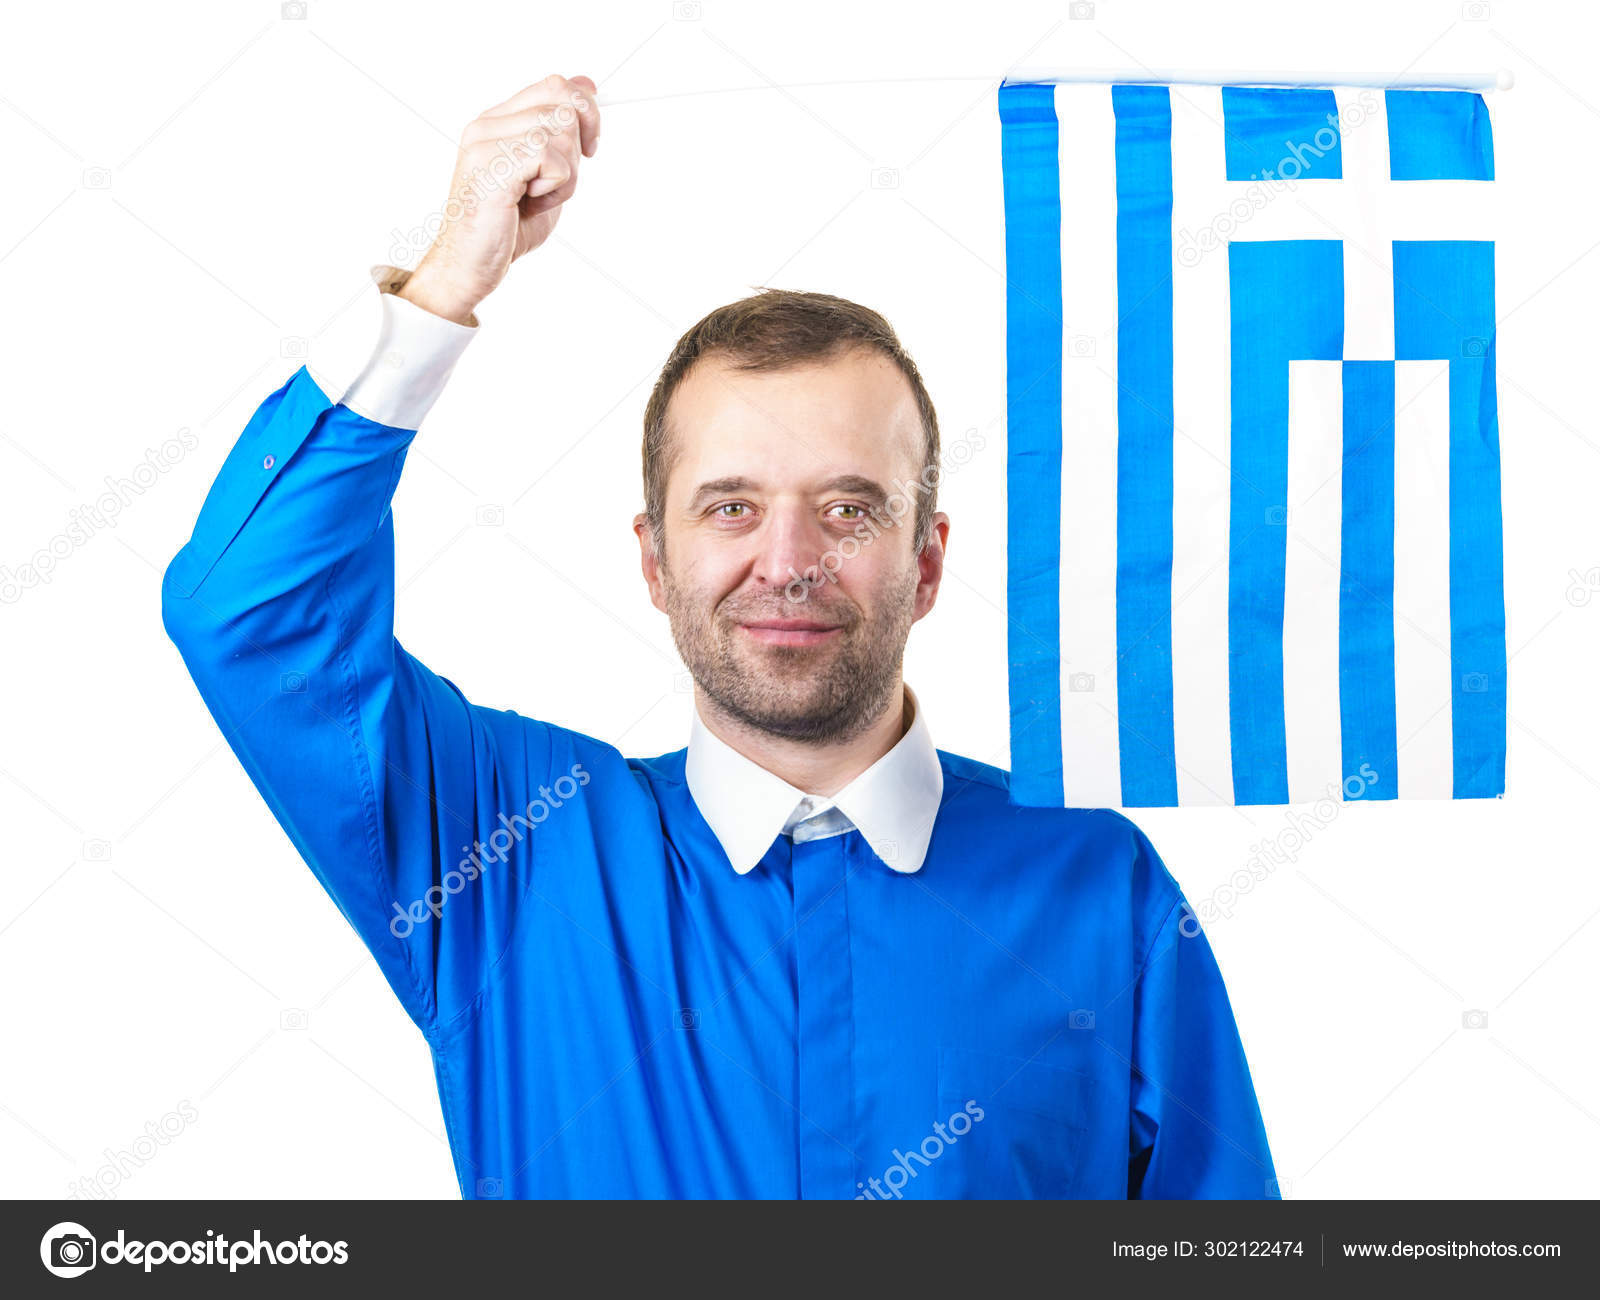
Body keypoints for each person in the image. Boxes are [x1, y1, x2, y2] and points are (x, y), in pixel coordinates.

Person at [161, 73, 1277, 1199]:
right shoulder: (505, 854)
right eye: (730, 506)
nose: (785, 561)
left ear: (927, 560)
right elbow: (249, 612)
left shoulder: (1096, 882)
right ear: (653, 559)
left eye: (848, 510)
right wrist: (446, 281)